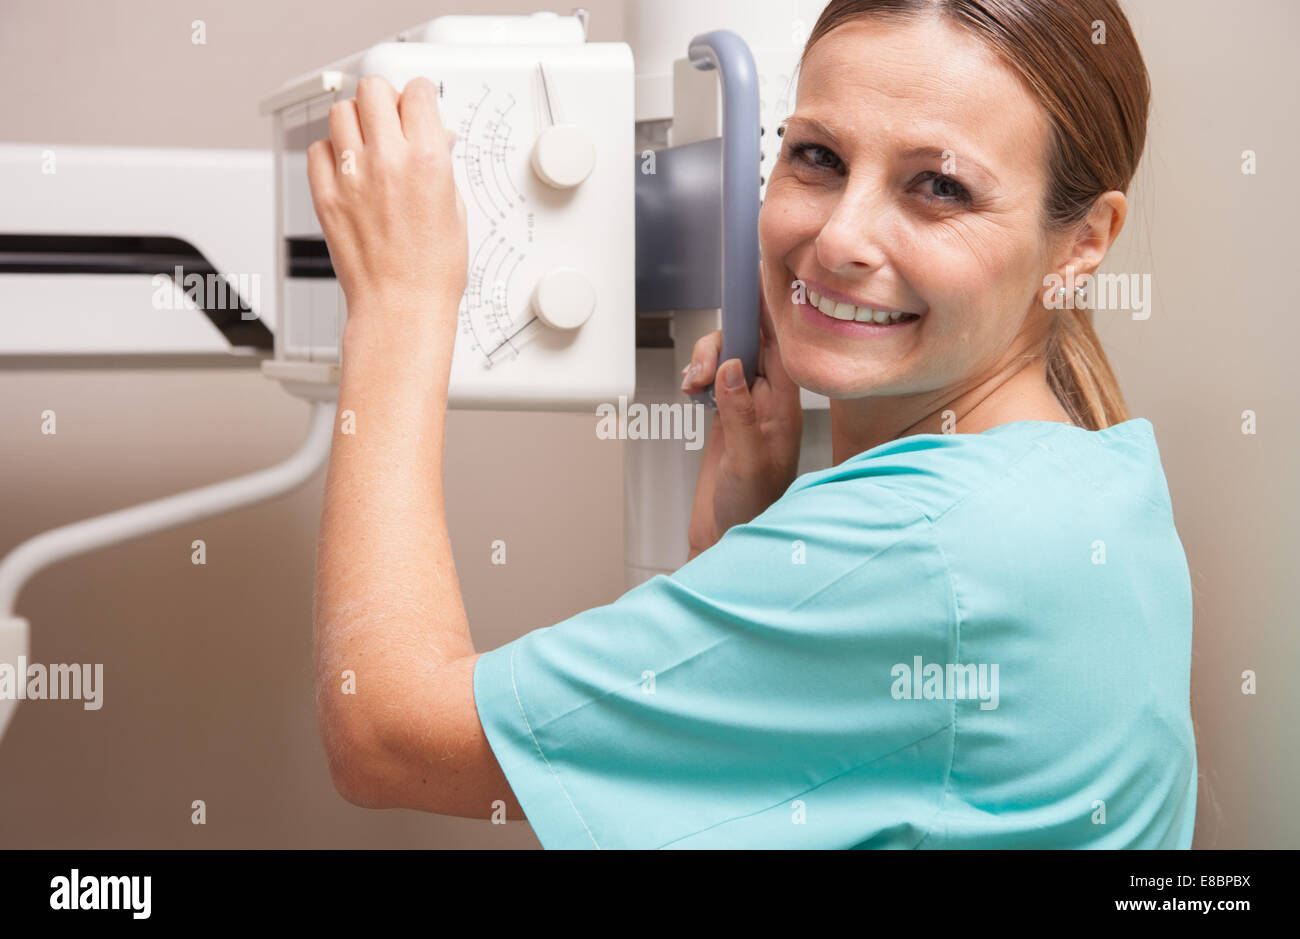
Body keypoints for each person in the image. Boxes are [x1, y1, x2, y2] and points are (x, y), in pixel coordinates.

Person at [305, 0, 1196, 848]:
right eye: (817, 157)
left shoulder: (919, 553)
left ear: (1083, 243)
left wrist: (400, 303)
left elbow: (386, 730)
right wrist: (747, 539)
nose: (842, 237)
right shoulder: (1101, 483)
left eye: (938, 186)